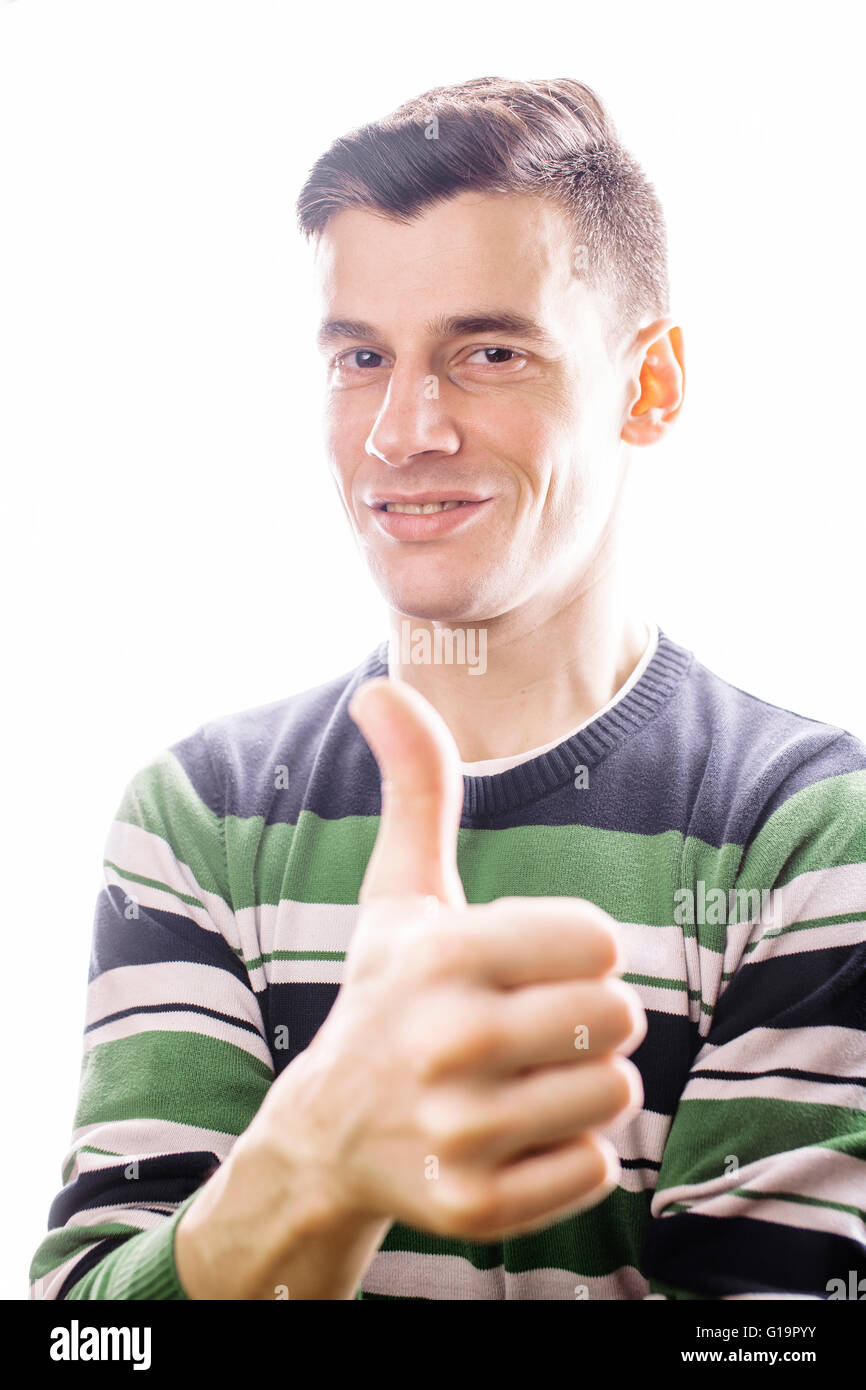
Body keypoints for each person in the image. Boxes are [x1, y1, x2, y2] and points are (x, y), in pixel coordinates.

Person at [31, 76, 866, 1301]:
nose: (400, 432)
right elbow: (90, 1335)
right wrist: (309, 1167)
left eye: (487, 351)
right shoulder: (200, 818)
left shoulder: (807, 830)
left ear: (649, 386)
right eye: (362, 356)